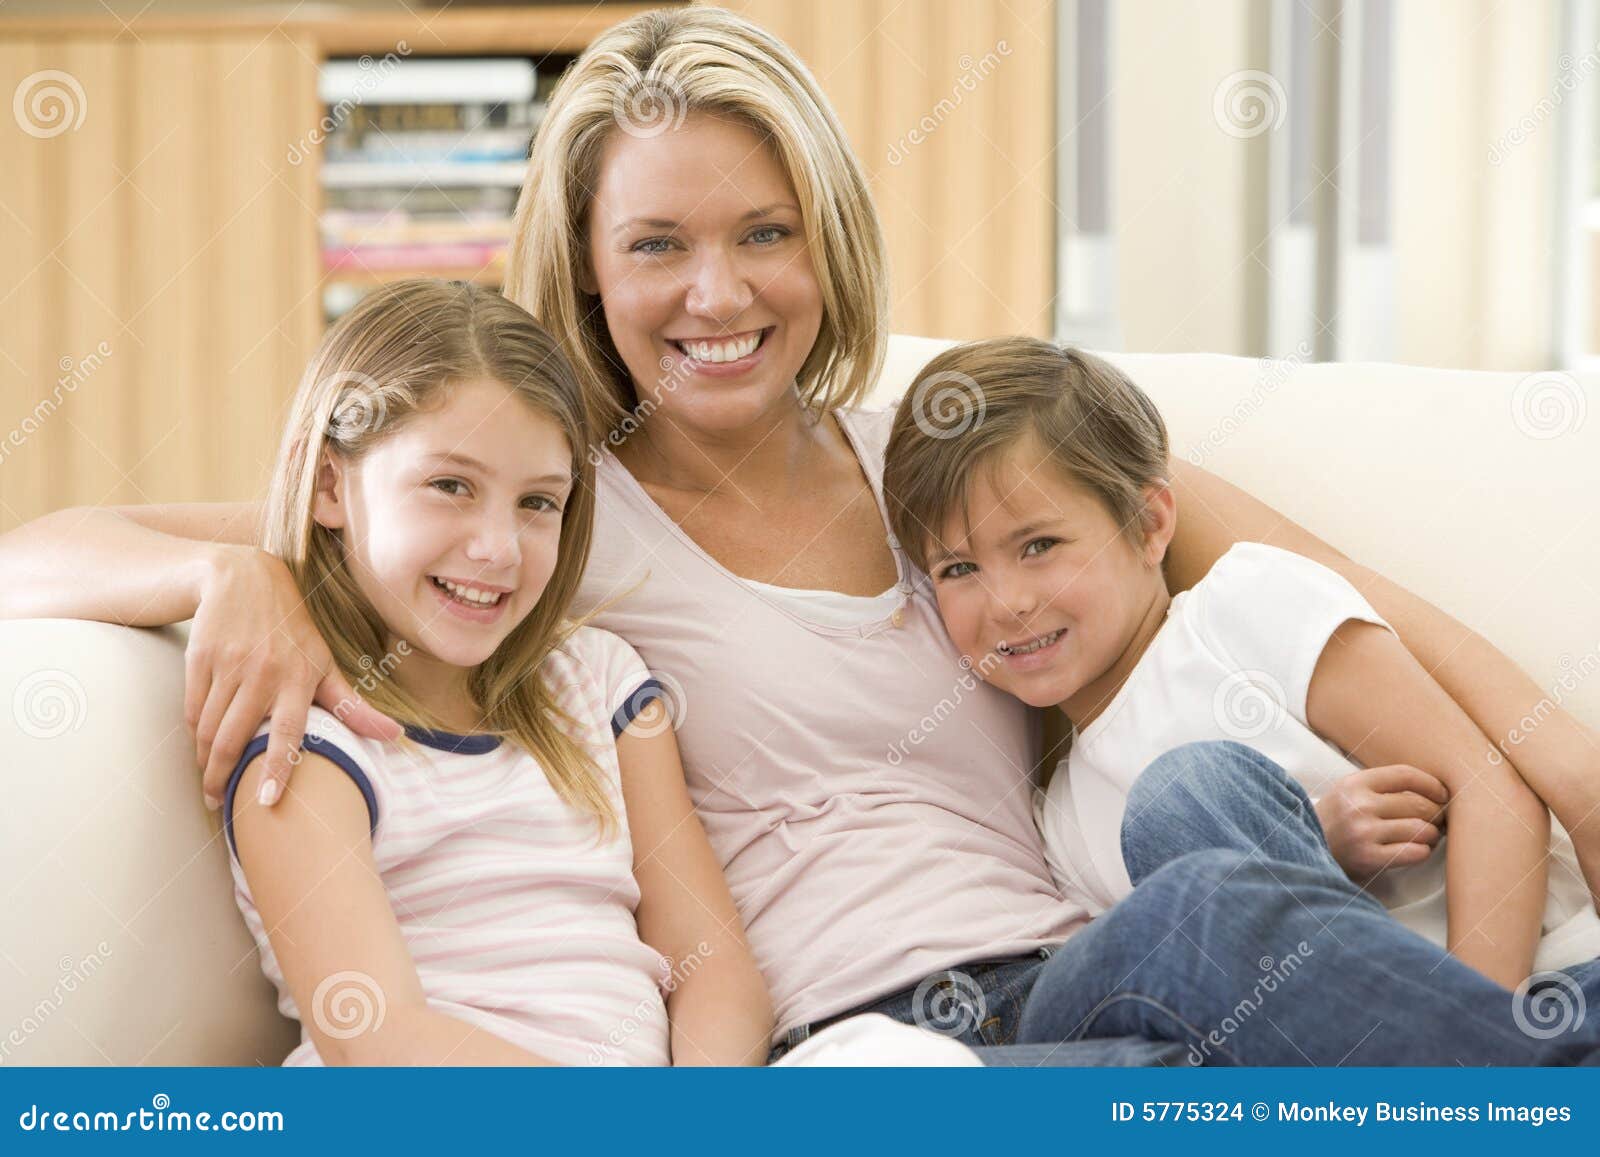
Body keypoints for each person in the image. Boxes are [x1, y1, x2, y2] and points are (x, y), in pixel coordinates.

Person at [3, 7, 1598, 1063]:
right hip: (879, 1042)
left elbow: (1333, 596)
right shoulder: (548, 517)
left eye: (765, 233)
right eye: (657, 244)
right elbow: (38, 553)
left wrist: (1573, 778)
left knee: (1208, 861)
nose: (719, 293)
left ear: (824, 242)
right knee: (1212, 927)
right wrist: (232, 570)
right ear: (587, 269)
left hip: (1093, 973)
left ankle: (1497, 1062)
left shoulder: (957, 456)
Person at [880, 336, 1600, 991]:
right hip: (1360, 1057)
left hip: (1549, 982)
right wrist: (1309, 844)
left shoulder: (1246, 607)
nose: (1007, 603)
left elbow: (1494, 793)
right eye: (959, 568)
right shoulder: (1065, 826)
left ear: (1151, 524)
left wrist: (1474, 1044)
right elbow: (1206, 983)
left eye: (1039, 546)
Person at [223, 277, 771, 1065]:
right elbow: (380, 1038)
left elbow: (712, 962)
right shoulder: (305, 746)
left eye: (537, 502)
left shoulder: (598, 682)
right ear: (331, 485)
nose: (498, 548)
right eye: (451, 486)